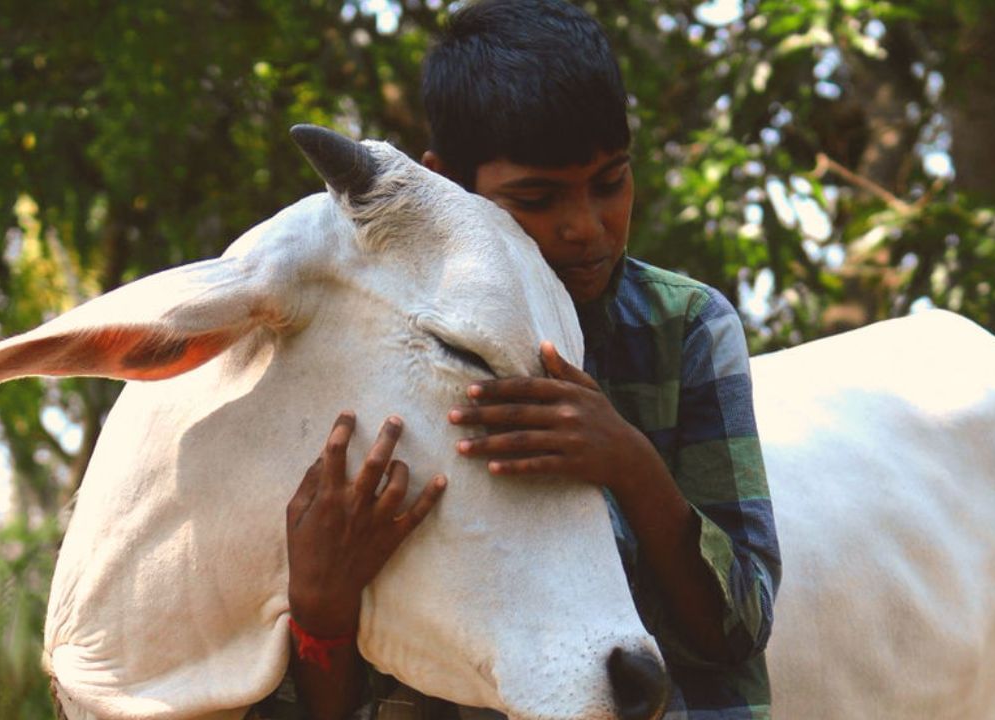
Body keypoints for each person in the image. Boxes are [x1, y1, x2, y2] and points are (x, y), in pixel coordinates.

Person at [261, 1, 782, 718]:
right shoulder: (372, 348)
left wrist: (629, 464)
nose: (586, 227)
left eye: (611, 182)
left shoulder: (686, 329)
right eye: (536, 198)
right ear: (446, 185)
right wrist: (321, 610)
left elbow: (742, 626)